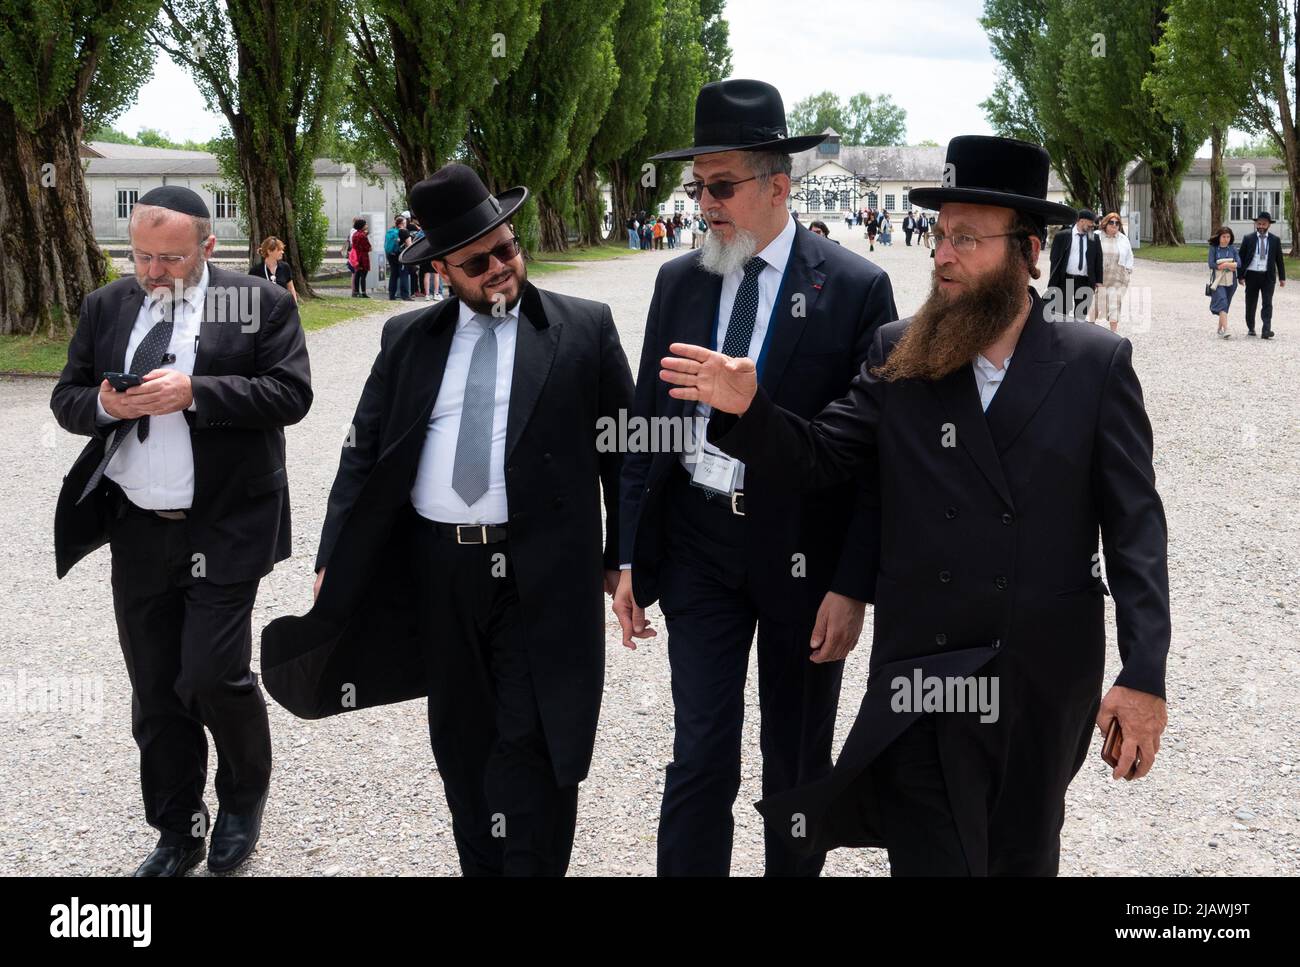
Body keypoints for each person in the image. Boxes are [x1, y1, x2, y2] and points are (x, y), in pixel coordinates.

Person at [659, 134, 1171, 877]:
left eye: (967, 238)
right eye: (939, 235)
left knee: (1019, 859)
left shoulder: (1094, 365)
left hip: (1039, 679)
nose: (942, 257)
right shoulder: (902, 354)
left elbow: (1136, 533)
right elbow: (822, 456)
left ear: (1028, 250)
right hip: (922, 675)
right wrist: (752, 411)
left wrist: (1144, 672)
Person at [261, 164, 634, 877]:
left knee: (535, 746)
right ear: (441, 269)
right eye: (478, 261)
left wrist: (626, 559)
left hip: (542, 577)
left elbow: (623, 455)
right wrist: (333, 553)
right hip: (440, 572)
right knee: (463, 748)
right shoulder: (406, 340)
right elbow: (364, 450)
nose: (501, 267)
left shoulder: (585, 330)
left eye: (508, 248)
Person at [616, 78, 897, 877]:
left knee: (798, 763)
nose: (705, 203)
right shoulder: (680, 283)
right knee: (700, 754)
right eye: (698, 185)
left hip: (801, 556)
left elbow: (871, 458)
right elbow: (647, 425)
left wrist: (852, 584)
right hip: (699, 544)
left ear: (779, 186)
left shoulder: (853, 289)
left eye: (723, 185)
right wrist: (630, 551)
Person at [51, 185, 313, 876]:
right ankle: (177, 829)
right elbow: (67, 396)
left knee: (210, 673)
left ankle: (242, 798)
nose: (153, 270)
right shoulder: (107, 304)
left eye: (169, 257)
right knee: (157, 685)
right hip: (139, 527)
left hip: (228, 523)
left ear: (207, 247)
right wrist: (104, 403)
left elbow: (292, 394)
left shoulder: (261, 303)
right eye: (141, 255)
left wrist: (196, 391)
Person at [1048, 209, 1102, 320]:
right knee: (1062, 312)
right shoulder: (1062, 236)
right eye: (1090, 222)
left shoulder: (1093, 237)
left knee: (1081, 315)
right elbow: (1054, 259)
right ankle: (1063, 334)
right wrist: (1053, 280)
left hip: (1085, 281)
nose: (1092, 225)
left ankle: (1077, 335)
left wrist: (1099, 281)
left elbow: (1098, 259)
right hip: (1066, 279)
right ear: (1081, 221)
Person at [1238, 211, 1286, 338]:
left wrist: (1282, 277)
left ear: (1269, 225)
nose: (1261, 226)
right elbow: (1241, 258)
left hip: (1268, 276)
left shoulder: (1275, 240)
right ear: (1256, 224)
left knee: (1267, 303)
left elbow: (1279, 260)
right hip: (1252, 275)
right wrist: (1240, 276)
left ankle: (1266, 330)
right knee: (1251, 303)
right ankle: (1251, 327)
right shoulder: (1248, 238)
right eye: (1258, 224)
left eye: (1264, 224)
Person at [1091, 212, 1133, 332]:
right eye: (1111, 222)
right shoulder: (1096, 236)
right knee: (1095, 304)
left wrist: (1128, 271)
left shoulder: (1123, 239)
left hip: (1117, 278)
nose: (1114, 225)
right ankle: (1089, 330)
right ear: (1105, 223)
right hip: (1100, 277)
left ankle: (1113, 333)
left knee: (1115, 305)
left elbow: (1129, 256)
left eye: (1117, 223)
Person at [1208, 226, 1242, 338]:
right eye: (1223, 236)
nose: (1226, 239)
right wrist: (1227, 265)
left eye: (1228, 237)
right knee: (1222, 302)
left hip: (1231, 282)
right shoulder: (1213, 248)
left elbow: (1239, 263)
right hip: (1218, 281)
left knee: (1226, 304)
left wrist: (1227, 265)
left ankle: (1220, 327)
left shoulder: (1232, 248)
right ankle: (1226, 329)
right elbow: (1211, 264)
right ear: (1219, 237)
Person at [249, 236, 299, 305]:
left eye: (282, 249)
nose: (282, 252)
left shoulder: (285, 267)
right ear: (269, 251)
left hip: (282, 308)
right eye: (279, 250)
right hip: (265, 311)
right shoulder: (255, 271)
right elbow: (251, 293)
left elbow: (291, 288)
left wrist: (295, 306)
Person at [386, 215, 413, 301]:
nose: (406, 224)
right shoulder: (404, 232)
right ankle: (405, 295)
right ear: (402, 224)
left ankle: (391, 295)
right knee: (403, 275)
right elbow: (410, 246)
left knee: (393, 275)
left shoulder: (390, 231)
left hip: (391, 255)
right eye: (405, 223)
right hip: (401, 256)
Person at [349, 218, 371, 298]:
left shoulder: (355, 234)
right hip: (363, 257)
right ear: (362, 226)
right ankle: (364, 292)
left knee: (357, 274)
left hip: (356, 256)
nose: (366, 225)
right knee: (363, 275)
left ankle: (356, 292)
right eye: (365, 224)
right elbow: (368, 247)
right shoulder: (362, 235)